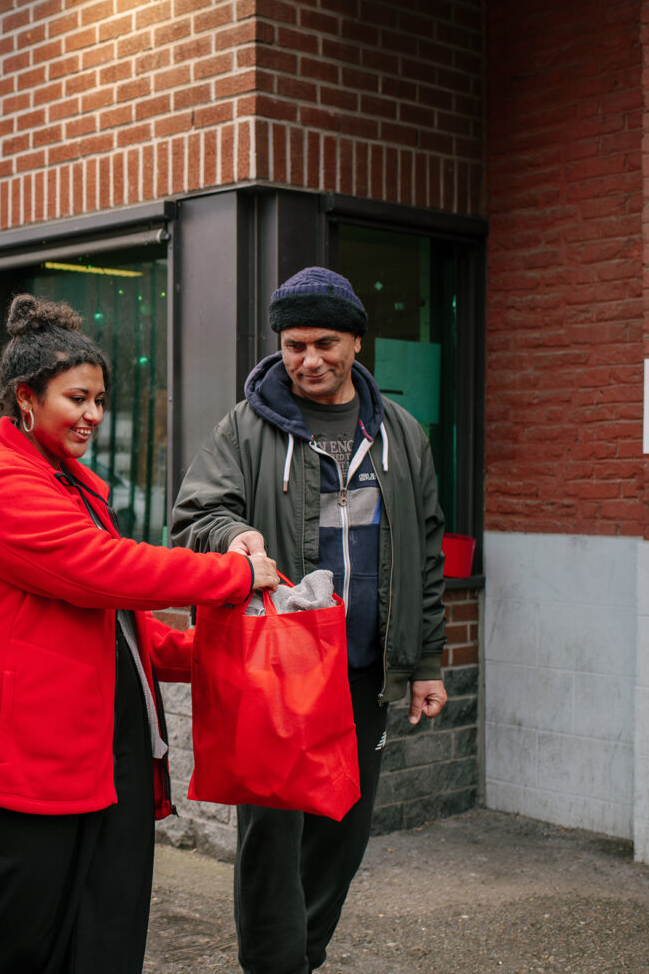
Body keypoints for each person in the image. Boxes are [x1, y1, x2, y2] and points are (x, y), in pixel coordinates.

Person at [0, 294, 280, 974]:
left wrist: (222, 650)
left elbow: (118, 624)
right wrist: (232, 574)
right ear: (25, 399)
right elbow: (104, 572)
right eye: (75, 398)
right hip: (17, 763)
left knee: (95, 937)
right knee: (13, 941)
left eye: (99, 399)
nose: (92, 414)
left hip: (87, 756)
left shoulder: (65, 481)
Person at [172, 265, 448, 974]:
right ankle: (274, 963)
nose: (309, 360)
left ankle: (304, 956)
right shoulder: (247, 426)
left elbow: (425, 550)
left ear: (356, 342)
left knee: (343, 833)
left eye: (325, 343)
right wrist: (231, 536)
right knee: (273, 839)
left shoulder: (401, 435)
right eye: (294, 345)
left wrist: (424, 664)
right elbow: (196, 513)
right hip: (280, 673)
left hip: (365, 673)